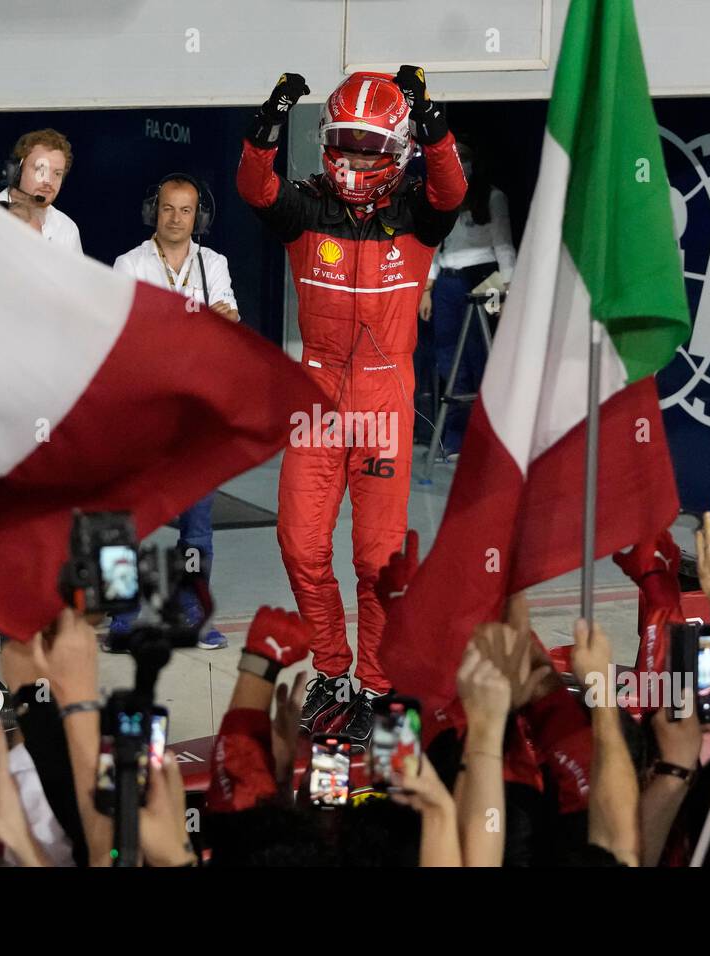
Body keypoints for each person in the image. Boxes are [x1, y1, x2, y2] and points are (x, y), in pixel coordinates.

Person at [237, 67, 466, 750]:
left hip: (383, 397)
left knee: (375, 559)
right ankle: (332, 672)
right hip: (317, 393)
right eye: (345, 145)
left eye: (371, 148)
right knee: (299, 543)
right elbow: (256, 186)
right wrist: (268, 121)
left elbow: (451, 186)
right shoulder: (307, 208)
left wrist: (436, 122)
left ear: (398, 148)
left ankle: (374, 684)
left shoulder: (421, 214)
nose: (356, 161)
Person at [109, 173, 240, 649]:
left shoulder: (214, 264)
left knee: (197, 525)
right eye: (168, 208)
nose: (176, 218)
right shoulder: (130, 263)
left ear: (197, 216)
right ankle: (123, 614)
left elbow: (228, 321)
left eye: (186, 210)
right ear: (154, 211)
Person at [418, 141, 515, 459]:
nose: (463, 164)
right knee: (449, 356)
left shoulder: (493, 196)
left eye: (467, 158)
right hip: (448, 281)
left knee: (481, 354)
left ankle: (488, 438)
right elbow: (434, 243)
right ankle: (455, 440)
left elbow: (503, 244)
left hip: (486, 278)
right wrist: (427, 288)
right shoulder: (442, 196)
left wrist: (509, 289)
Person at [0, 128, 82, 253]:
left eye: (57, 173)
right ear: (17, 171)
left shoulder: (67, 229)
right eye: (40, 170)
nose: (48, 181)